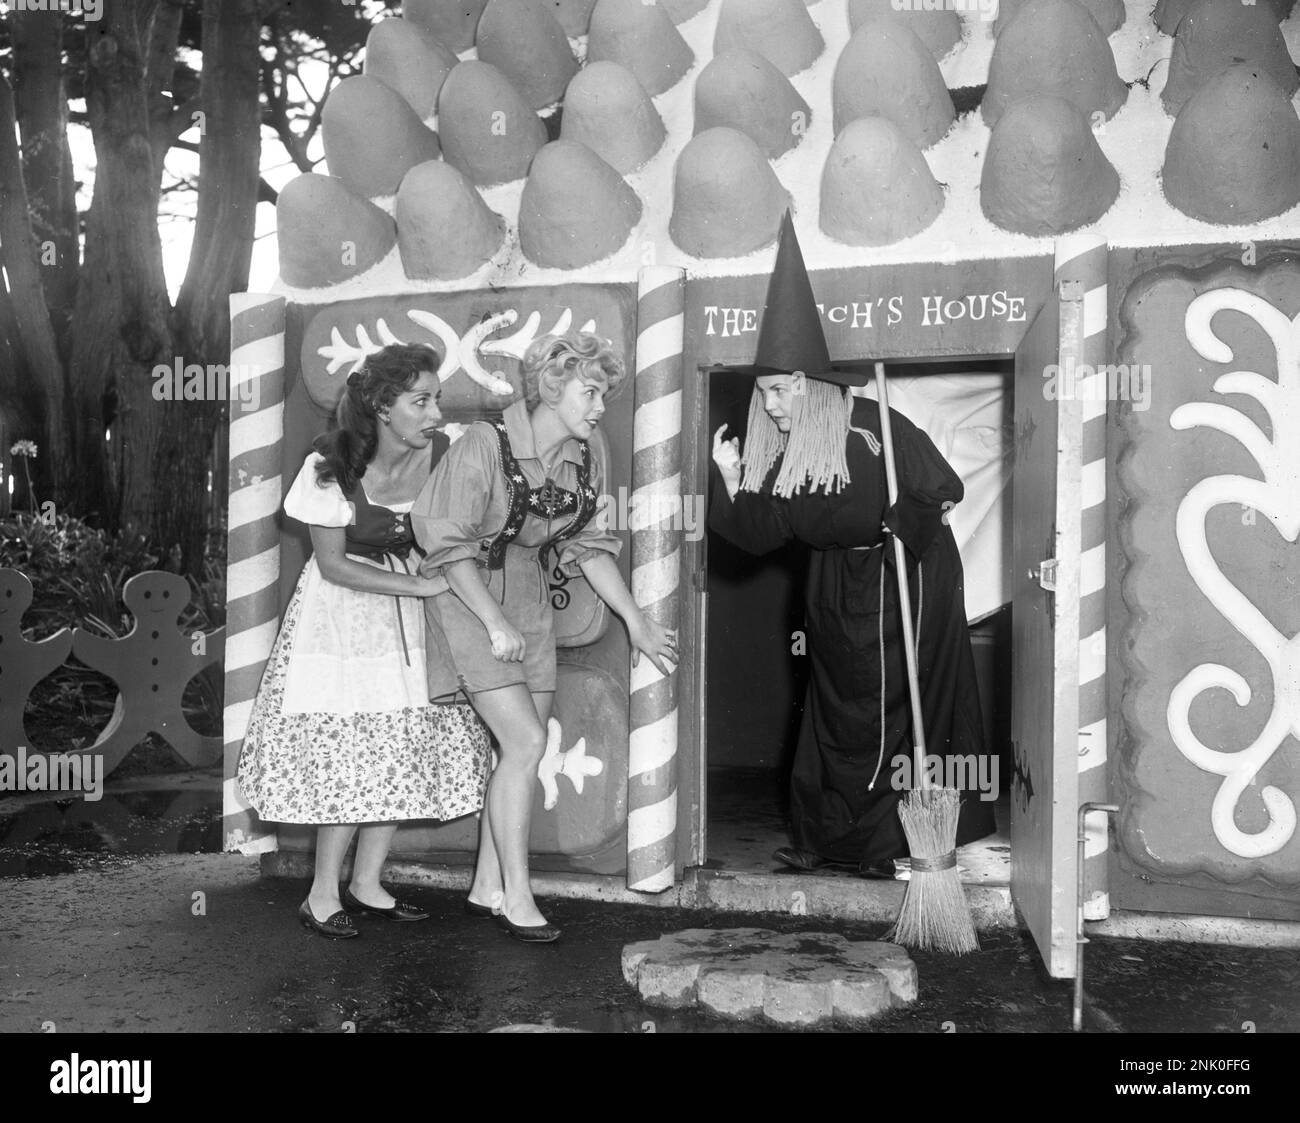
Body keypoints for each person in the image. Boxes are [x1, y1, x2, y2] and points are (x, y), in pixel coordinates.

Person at [709, 213, 995, 877]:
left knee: (895, 707)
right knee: (834, 708)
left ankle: (889, 845)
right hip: (834, 585)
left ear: (812, 386)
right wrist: (728, 480)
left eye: (781, 391)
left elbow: (942, 489)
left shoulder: (875, 427)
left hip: (906, 575)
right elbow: (757, 533)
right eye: (765, 393)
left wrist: (907, 518)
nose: (773, 406)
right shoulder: (781, 455)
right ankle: (826, 838)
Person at [411, 331, 677, 942]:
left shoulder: (577, 459)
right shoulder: (485, 441)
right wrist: (494, 622)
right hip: (470, 596)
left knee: (518, 752)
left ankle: (485, 885)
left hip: (527, 598)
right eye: (590, 392)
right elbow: (447, 547)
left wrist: (635, 619)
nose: (599, 406)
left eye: (604, 395)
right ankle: (518, 897)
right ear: (554, 387)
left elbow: (588, 549)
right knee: (527, 743)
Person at [238, 344, 492, 939]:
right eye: (420, 400)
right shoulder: (330, 464)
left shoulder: (444, 453)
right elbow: (334, 566)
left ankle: (367, 883)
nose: (434, 412)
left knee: (400, 744)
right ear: (382, 406)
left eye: (437, 399)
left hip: (413, 610)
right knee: (352, 754)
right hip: (344, 617)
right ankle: (322, 893)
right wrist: (423, 588)